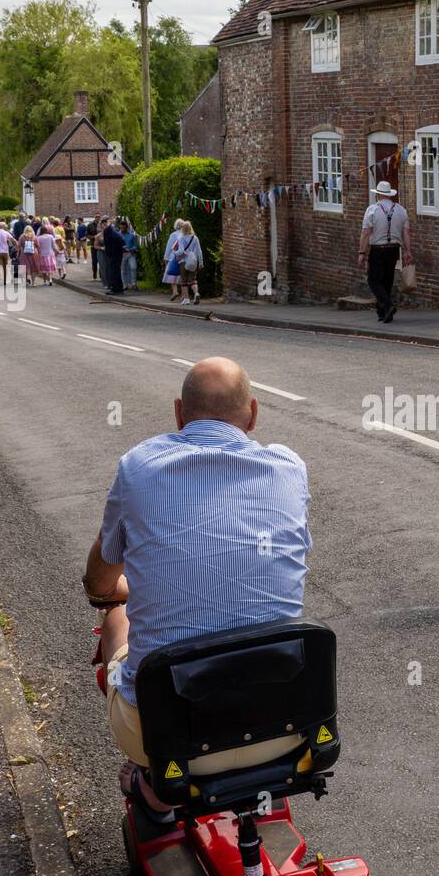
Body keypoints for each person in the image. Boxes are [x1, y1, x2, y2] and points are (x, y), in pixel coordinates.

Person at [82, 357, 312, 819]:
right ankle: (252, 784)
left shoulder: (139, 467)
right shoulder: (289, 467)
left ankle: (153, 783)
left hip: (171, 732)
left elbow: (101, 577)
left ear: (178, 413)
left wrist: (106, 595)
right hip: (284, 726)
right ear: (253, 413)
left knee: (117, 620)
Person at [357, 180, 413, 324]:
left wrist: (362, 253)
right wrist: (407, 251)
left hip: (378, 249)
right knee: (387, 280)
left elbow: (366, 233)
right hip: (394, 249)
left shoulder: (372, 210)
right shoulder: (401, 210)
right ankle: (382, 312)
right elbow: (406, 233)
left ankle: (387, 306)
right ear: (389, 195)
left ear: (378, 195)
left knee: (373, 280)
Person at [174, 220, 203, 306]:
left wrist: (175, 252)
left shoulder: (181, 238)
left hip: (183, 262)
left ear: (183, 229)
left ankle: (186, 299)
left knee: (184, 281)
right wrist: (200, 262)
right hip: (193, 261)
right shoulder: (195, 238)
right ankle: (196, 293)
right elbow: (199, 251)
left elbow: (181, 251)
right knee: (193, 279)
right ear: (190, 228)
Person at [101, 218, 126, 295]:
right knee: (114, 272)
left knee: (115, 272)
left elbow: (121, 242)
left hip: (114, 256)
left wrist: (115, 249)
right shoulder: (112, 233)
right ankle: (116, 288)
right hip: (114, 255)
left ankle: (116, 289)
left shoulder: (110, 233)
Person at [162, 221, 185, 301]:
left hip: (174, 257)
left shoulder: (174, 235)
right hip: (184, 258)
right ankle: (183, 295)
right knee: (182, 276)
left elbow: (169, 247)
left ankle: (175, 292)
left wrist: (166, 258)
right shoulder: (187, 234)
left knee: (172, 275)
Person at [120, 219, 138, 291]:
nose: (122, 229)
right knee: (123, 270)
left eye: (124, 228)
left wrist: (132, 249)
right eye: (121, 228)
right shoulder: (118, 235)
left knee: (133, 267)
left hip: (130, 253)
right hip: (122, 254)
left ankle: (134, 283)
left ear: (126, 227)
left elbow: (135, 245)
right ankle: (124, 284)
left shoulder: (131, 235)